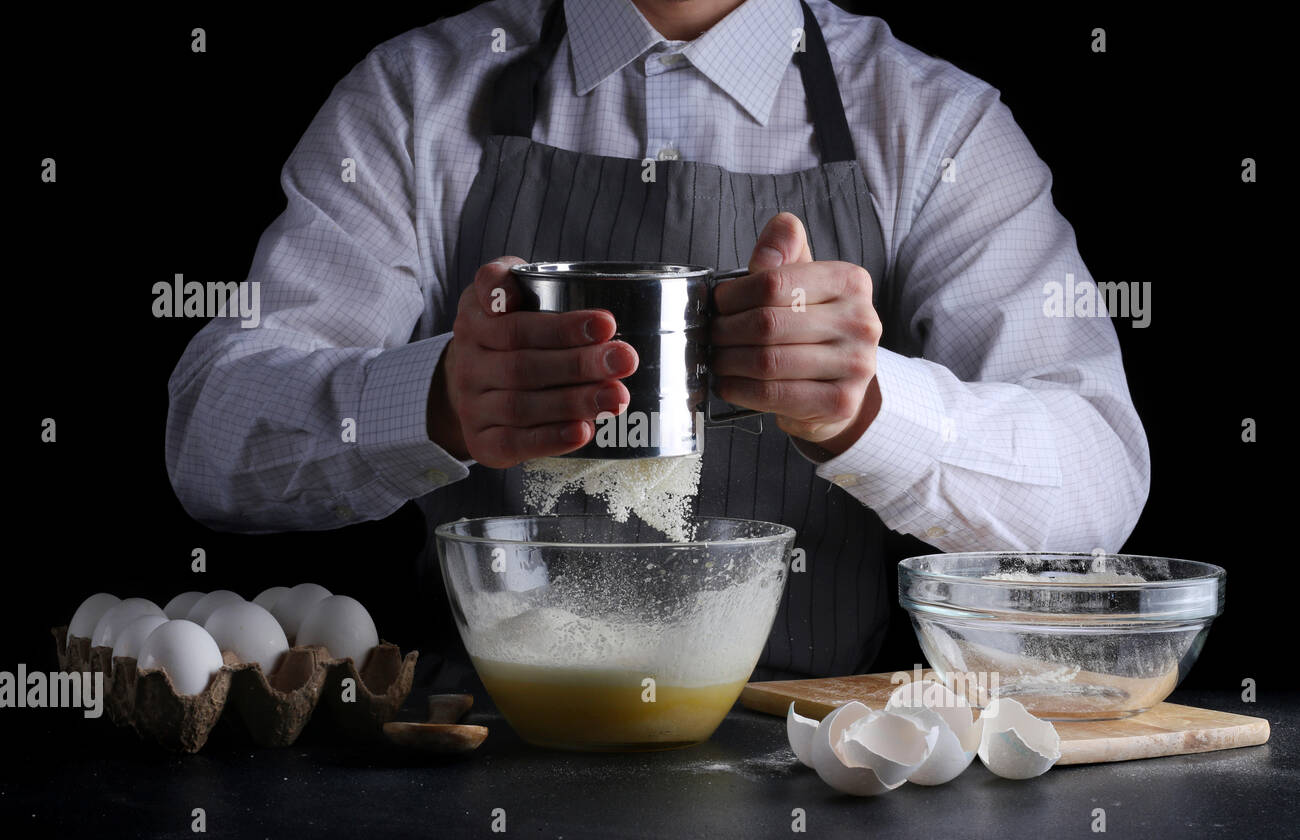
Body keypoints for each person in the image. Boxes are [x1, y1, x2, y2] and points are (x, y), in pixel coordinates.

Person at [166, 0, 1150, 680]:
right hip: (480, 762)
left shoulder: (939, 130)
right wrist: (436, 403)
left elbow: (1095, 489)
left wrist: (870, 410)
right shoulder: (414, 100)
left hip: (822, 768)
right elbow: (209, 436)